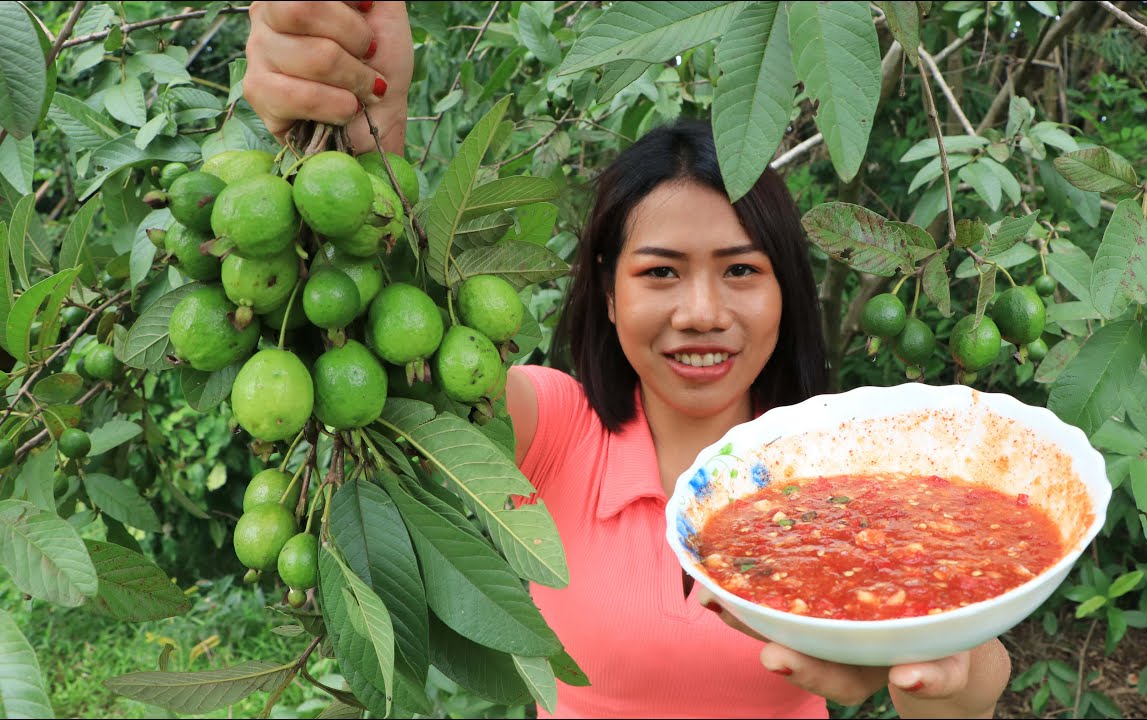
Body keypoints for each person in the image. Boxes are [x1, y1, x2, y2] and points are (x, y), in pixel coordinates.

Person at [243, 3, 1012, 718]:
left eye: (741, 270)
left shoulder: (830, 465)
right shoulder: (551, 432)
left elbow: (970, 661)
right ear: (608, 295)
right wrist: (363, 158)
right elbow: (376, 375)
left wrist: (943, 675)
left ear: (789, 295)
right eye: (660, 272)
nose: (702, 312)